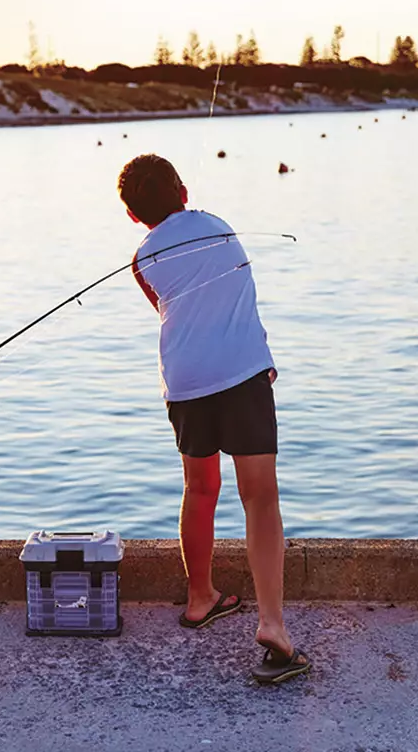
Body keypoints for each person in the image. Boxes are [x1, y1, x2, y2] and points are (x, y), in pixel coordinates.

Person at [117, 154, 310, 685]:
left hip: (185, 382)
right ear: (184, 190)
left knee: (200, 490)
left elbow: (163, 306)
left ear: (133, 216)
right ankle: (272, 624)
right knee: (260, 497)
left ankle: (200, 597)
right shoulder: (223, 229)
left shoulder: (139, 259)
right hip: (243, 374)